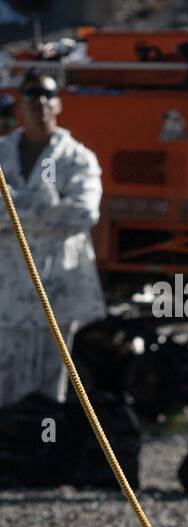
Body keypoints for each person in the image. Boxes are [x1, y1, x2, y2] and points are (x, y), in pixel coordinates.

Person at [0, 71, 106, 408]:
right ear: (20, 105)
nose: (39, 103)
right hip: (8, 293)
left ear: (58, 103)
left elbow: (83, 213)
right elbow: (61, 213)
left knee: (50, 393)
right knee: (6, 386)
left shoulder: (78, 159)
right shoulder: (2, 154)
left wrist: (15, 210)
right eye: (31, 96)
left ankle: (43, 453)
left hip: (57, 292)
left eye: (47, 95)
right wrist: (45, 207)